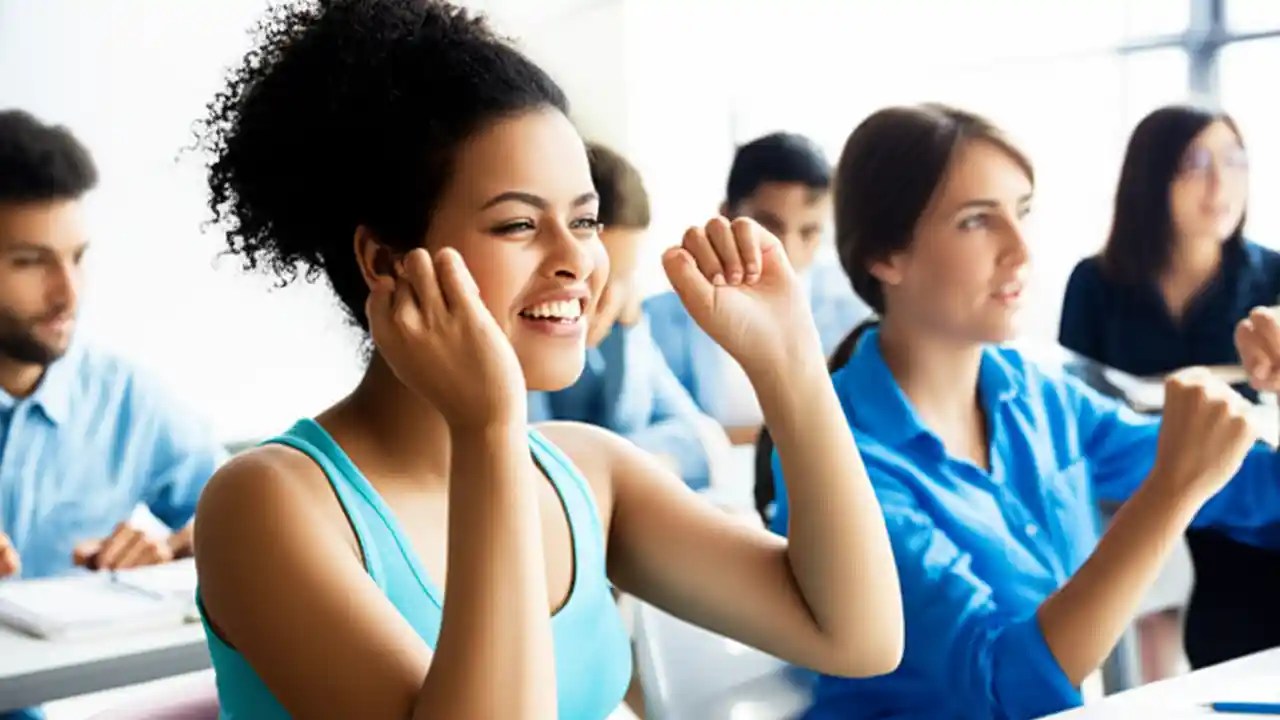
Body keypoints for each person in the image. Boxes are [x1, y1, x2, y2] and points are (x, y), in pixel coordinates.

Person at [192, 3, 903, 719]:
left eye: (585, 220)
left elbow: (858, 637)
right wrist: (489, 429)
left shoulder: (588, 476)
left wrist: (791, 364)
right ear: (385, 261)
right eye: (519, 225)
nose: (577, 262)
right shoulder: (266, 504)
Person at [769, 104, 1280, 720]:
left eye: (1024, 212)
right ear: (885, 256)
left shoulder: (1039, 397)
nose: (1020, 250)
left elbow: (1258, 489)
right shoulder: (838, 456)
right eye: (977, 221)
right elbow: (1006, 688)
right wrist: (1170, 493)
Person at [0, 110, 226, 720]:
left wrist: (173, 547)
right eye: (29, 261)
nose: (67, 293)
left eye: (77, 257)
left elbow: (243, 512)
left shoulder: (126, 399)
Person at [1059, 105, 1280, 670]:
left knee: (1232, 622)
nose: (1219, 184)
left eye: (1235, 162)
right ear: (1150, 177)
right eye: (1194, 164)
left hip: (1249, 495)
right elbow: (1075, 406)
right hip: (1136, 487)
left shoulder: (1272, 277)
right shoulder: (1095, 282)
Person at [646, 132, 871, 445]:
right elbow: (655, 438)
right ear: (725, 216)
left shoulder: (852, 314)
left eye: (809, 232)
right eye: (769, 227)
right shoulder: (657, 321)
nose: (788, 250)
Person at [528, 143, 717, 489]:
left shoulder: (625, 321)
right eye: (598, 275)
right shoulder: (530, 333)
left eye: (623, 276)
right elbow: (536, 462)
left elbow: (705, 444)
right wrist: (641, 466)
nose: (607, 294)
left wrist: (627, 332)